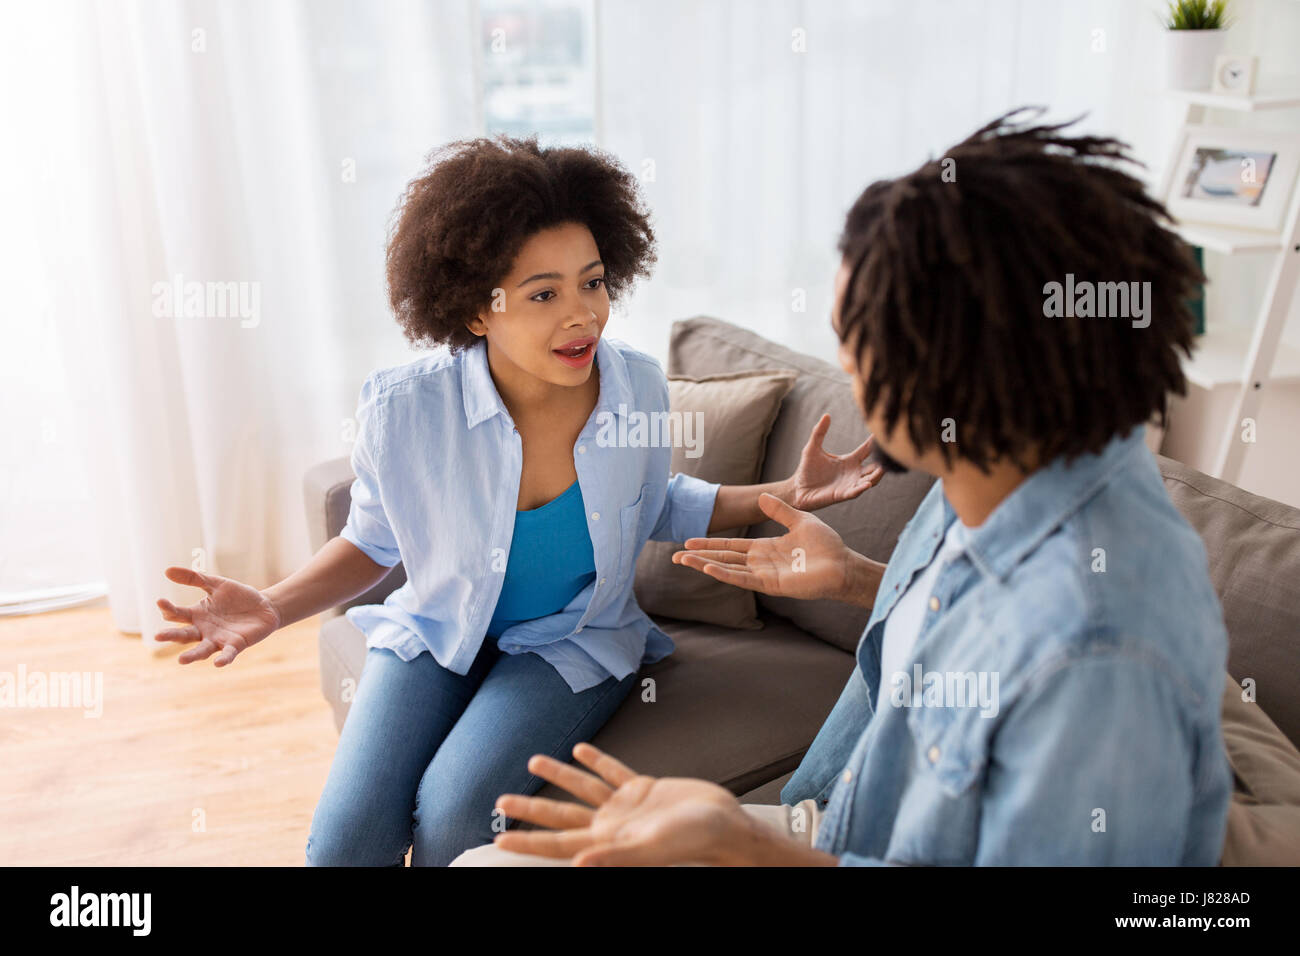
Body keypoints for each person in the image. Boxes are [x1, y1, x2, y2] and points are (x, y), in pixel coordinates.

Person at [459, 108, 1233, 866]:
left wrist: (747, 848)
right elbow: (979, 620)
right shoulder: (1015, 459)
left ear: (964, 372)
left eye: (858, 339)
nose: (846, 369)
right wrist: (858, 579)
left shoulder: (1098, 660)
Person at [153, 135, 881, 866]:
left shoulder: (637, 387)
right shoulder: (406, 411)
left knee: (456, 816)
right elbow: (376, 542)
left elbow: (651, 502)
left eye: (592, 283)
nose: (582, 315)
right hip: (437, 629)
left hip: (574, 643)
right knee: (347, 840)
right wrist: (275, 606)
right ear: (476, 310)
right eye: (544, 294)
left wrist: (786, 493)